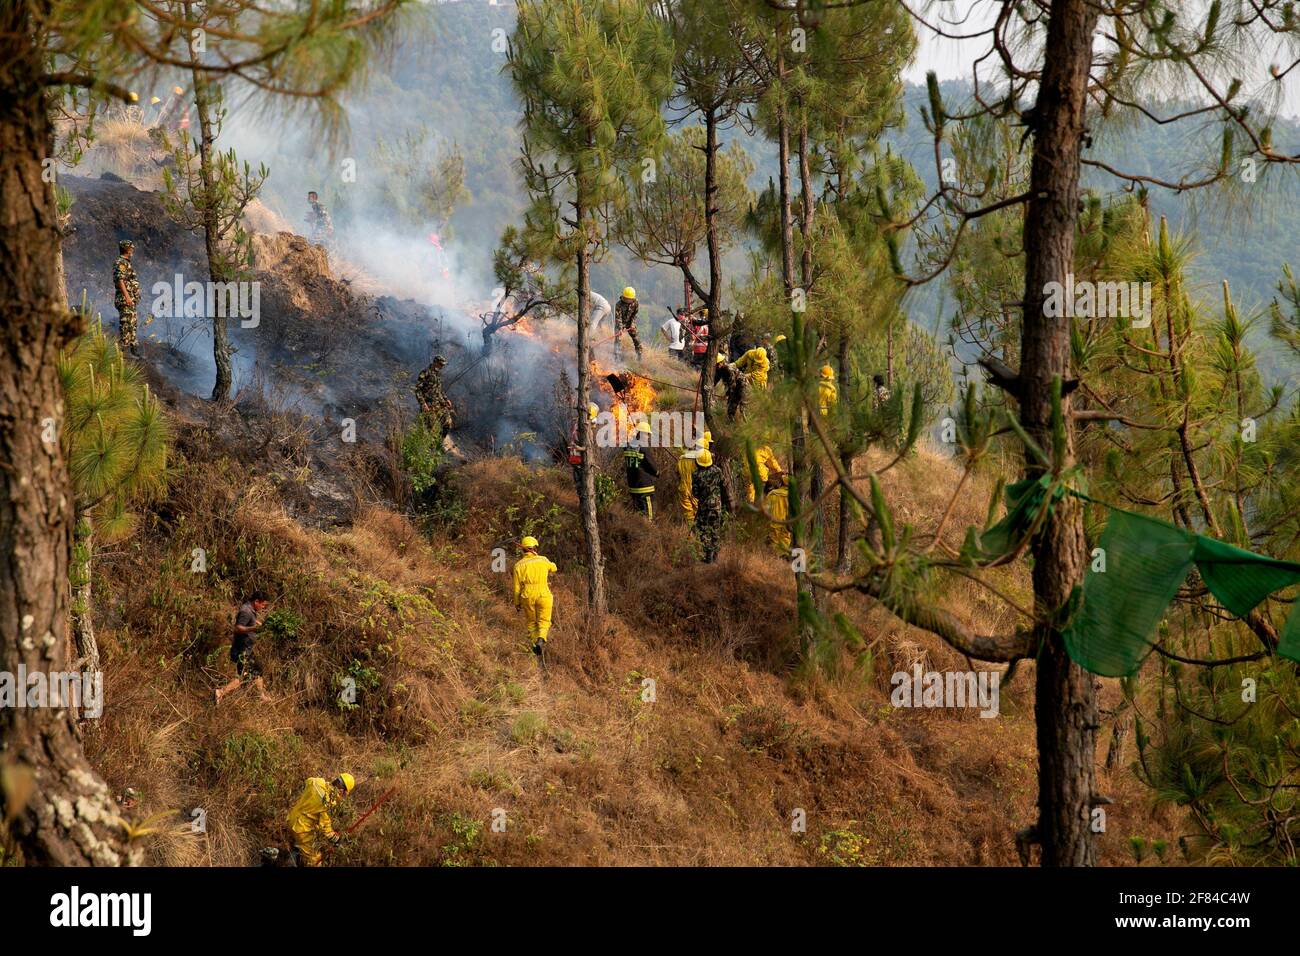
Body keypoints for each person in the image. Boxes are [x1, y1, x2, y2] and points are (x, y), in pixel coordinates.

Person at [286, 773, 355, 867]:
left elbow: (308, 781)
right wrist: (337, 840)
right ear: (342, 791)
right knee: (315, 861)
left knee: (303, 840)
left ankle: (295, 853)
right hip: (301, 830)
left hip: (291, 819)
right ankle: (294, 859)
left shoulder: (316, 782)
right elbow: (325, 830)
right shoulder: (329, 803)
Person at [216, 590, 271, 704]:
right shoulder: (246, 611)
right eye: (262, 605)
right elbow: (237, 628)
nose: (263, 607)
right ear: (256, 601)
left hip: (247, 649)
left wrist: (258, 623)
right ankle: (221, 692)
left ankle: (261, 696)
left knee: (257, 670)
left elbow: (249, 620)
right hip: (242, 650)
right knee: (240, 677)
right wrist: (254, 629)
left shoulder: (249, 609)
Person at [513, 536, 558, 658]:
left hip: (527, 596)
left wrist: (517, 603)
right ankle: (541, 639)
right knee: (544, 621)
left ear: (523, 550)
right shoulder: (543, 560)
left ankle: (534, 646)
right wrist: (550, 563)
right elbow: (554, 568)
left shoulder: (518, 566)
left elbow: (517, 589)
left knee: (531, 623)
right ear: (534, 548)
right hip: (543, 594)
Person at [691, 448, 724, 563]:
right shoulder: (718, 471)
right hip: (717, 507)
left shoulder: (696, 475)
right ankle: (715, 555)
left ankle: (708, 555)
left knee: (703, 530)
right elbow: (723, 484)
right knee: (715, 529)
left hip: (704, 508)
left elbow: (695, 493)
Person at [415, 355, 455, 443]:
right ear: (435, 363)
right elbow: (418, 390)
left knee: (448, 423)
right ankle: (429, 448)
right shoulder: (425, 373)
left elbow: (439, 390)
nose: (442, 366)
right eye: (441, 364)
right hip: (429, 406)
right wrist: (423, 403)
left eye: (443, 365)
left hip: (440, 404)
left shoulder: (438, 374)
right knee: (430, 429)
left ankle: (439, 443)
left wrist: (446, 399)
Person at [113, 239, 143, 356]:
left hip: (130, 300)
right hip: (125, 299)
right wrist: (127, 297)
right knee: (126, 323)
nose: (133, 249)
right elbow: (120, 280)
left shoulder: (126, 262)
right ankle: (123, 351)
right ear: (126, 249)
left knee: (132, 322)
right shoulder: (120, 262)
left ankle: (133, 348)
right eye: (131, 248)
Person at [623, 420, 658, 519]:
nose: (648, 437)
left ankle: (640, 527)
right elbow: (651, 465)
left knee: (638, 511)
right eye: (647, 434)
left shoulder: (627, 446)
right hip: (645, 486)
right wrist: (657, 473)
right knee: (648, 512)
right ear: (641, 434)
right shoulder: (643, 448)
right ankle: (649, 528)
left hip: (633, 485)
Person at [676, 431, 712, 525]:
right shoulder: (699, 460)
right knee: (697, 510)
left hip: (683, 488)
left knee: (688, 513)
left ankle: (690, 531)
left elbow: (677, 473)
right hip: (695, 489)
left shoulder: (682, 458)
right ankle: (698, 532)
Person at [765, 472, 792, 556]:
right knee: (785, 546)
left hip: (772, 525)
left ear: (782, 482)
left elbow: (766, 510)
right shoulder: (792, 496)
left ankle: (775, 561)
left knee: (773, 546)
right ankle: (783, 560)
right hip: (785, 525)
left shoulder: (772, 494)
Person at [613, 287, 642, 360]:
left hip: (630, 322)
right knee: (618, 339)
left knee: (636, 339)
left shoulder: (636, 303)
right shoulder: (618, 304)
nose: (627, 300)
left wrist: (632, 323)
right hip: (620, 323)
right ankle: (617, 358)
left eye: (629, 299)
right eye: (626, 298)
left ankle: (639, 356)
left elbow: (635, 314)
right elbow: (618, 318)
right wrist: (620, 328)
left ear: (632, 298)